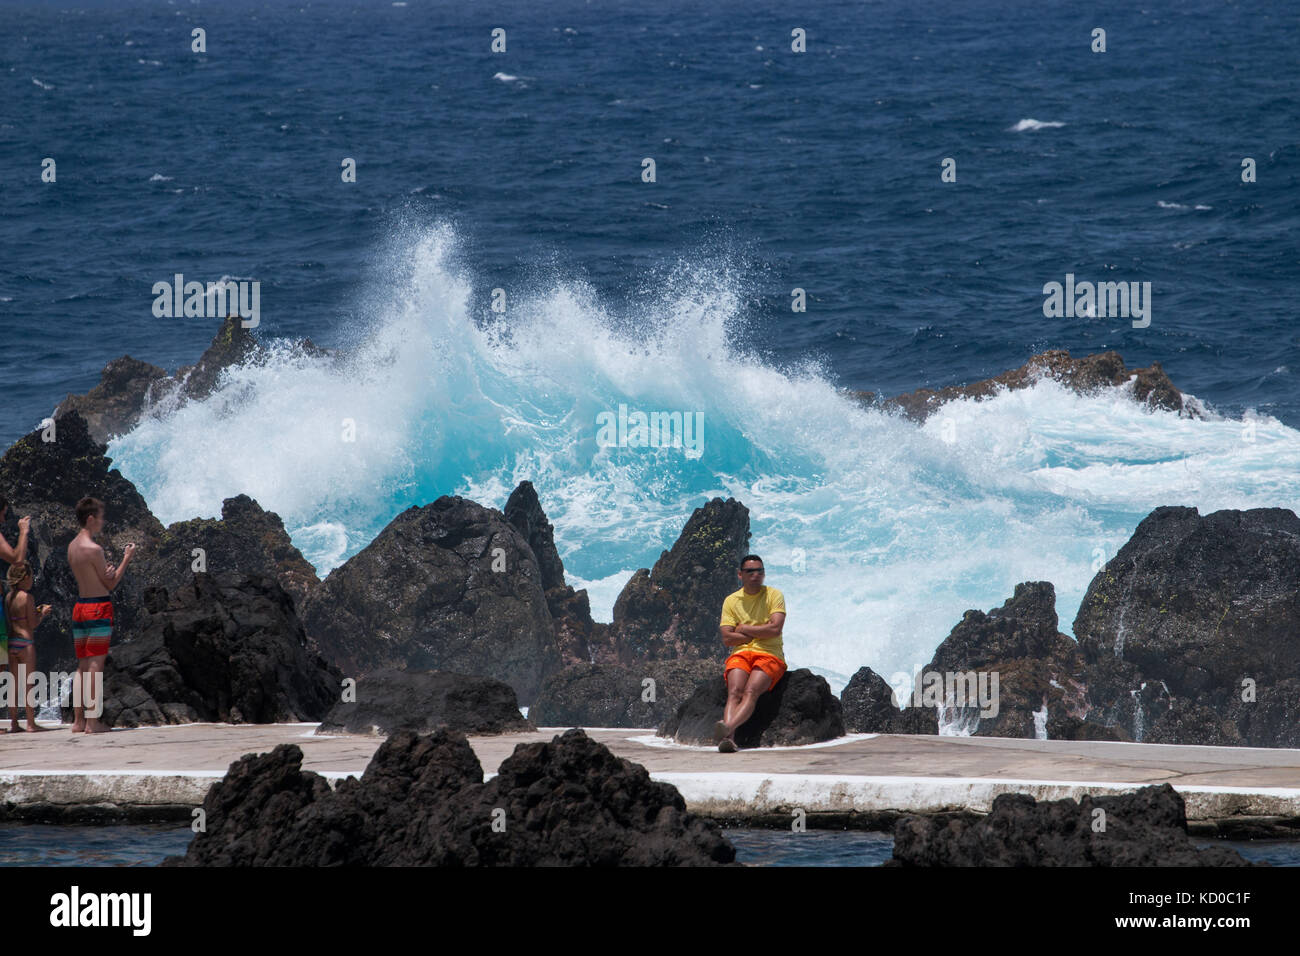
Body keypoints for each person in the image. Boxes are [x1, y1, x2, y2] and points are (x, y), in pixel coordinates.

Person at [67, 497, 134, 733]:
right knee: (95, 666)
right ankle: (93, 722)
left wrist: (105, 574)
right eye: (101, 518)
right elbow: (110, 583)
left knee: (82, 666)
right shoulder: (94, 549)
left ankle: (78, 721)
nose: (102, 522)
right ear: (91, 518)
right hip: (98, 608)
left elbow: (94, 579)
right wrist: (125, 560)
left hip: (80, 608)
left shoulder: (72, 547)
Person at [714, 554, 787, 753]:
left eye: (760, 571)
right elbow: (727, 638)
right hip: (741, 653)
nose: (756, 575)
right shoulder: (731, 600)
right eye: (750, 571)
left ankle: (727, 730)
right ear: (740, 574)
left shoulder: (774, 595)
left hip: (769, 653)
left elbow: (775, 630)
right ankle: (729, 740)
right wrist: (752, 635)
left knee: (751, 691)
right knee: (735, 692)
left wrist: (744, 628)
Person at [5, 562, 51, 732]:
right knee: (28, 684)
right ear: (25, 578)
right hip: (26, 643)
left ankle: (14, 723)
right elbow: (32, 624)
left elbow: (13, 621)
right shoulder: (27, 597)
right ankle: (31, 723)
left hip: (12, 642)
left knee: (13, 684)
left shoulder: (9, 597)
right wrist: (42, 614)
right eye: (31, 577)